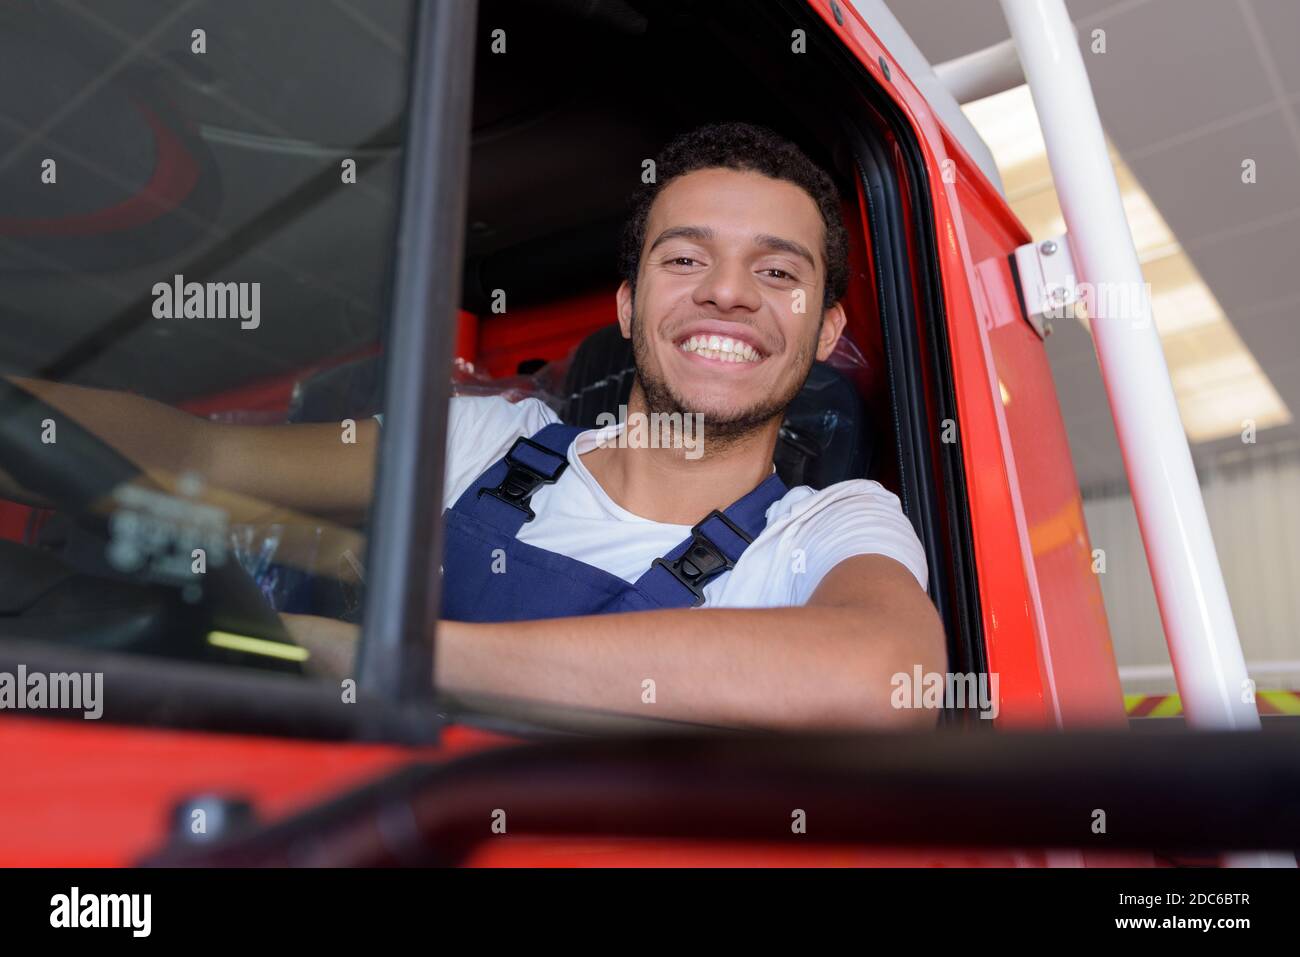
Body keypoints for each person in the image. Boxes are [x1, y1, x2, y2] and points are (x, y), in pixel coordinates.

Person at [7, 122, 946, 730]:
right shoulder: (484, 447)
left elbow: (884, 678)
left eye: (778, 272)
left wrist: (392, 656)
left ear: (826, 331)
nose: (730, 293)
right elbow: (201, 456)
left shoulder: (827, 528)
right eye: (686, 257)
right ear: (627, 306)